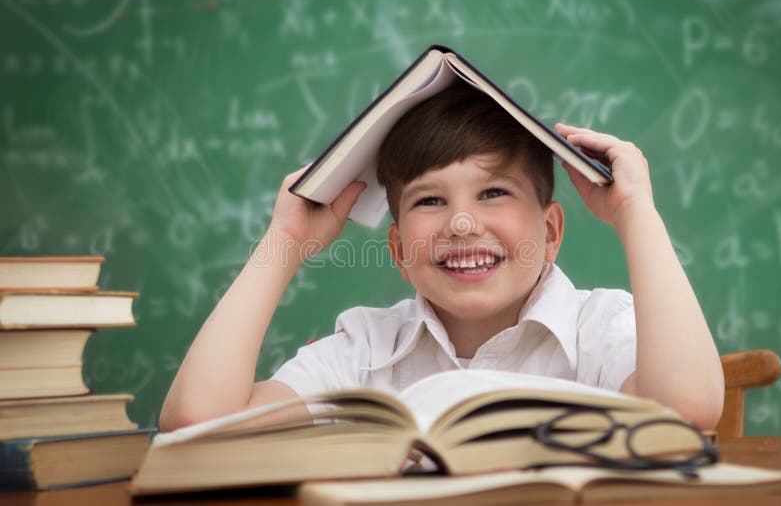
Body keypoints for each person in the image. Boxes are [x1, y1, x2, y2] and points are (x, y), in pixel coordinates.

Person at [159, 82, 725, 433]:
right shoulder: (366, 350)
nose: (461, 223)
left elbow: (689, 406)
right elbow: (198, 423)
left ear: (550, 232)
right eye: (430, 200)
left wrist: (636, 212)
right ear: (400, 250)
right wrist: (283, 245)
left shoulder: (601, 330)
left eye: (494, 192)